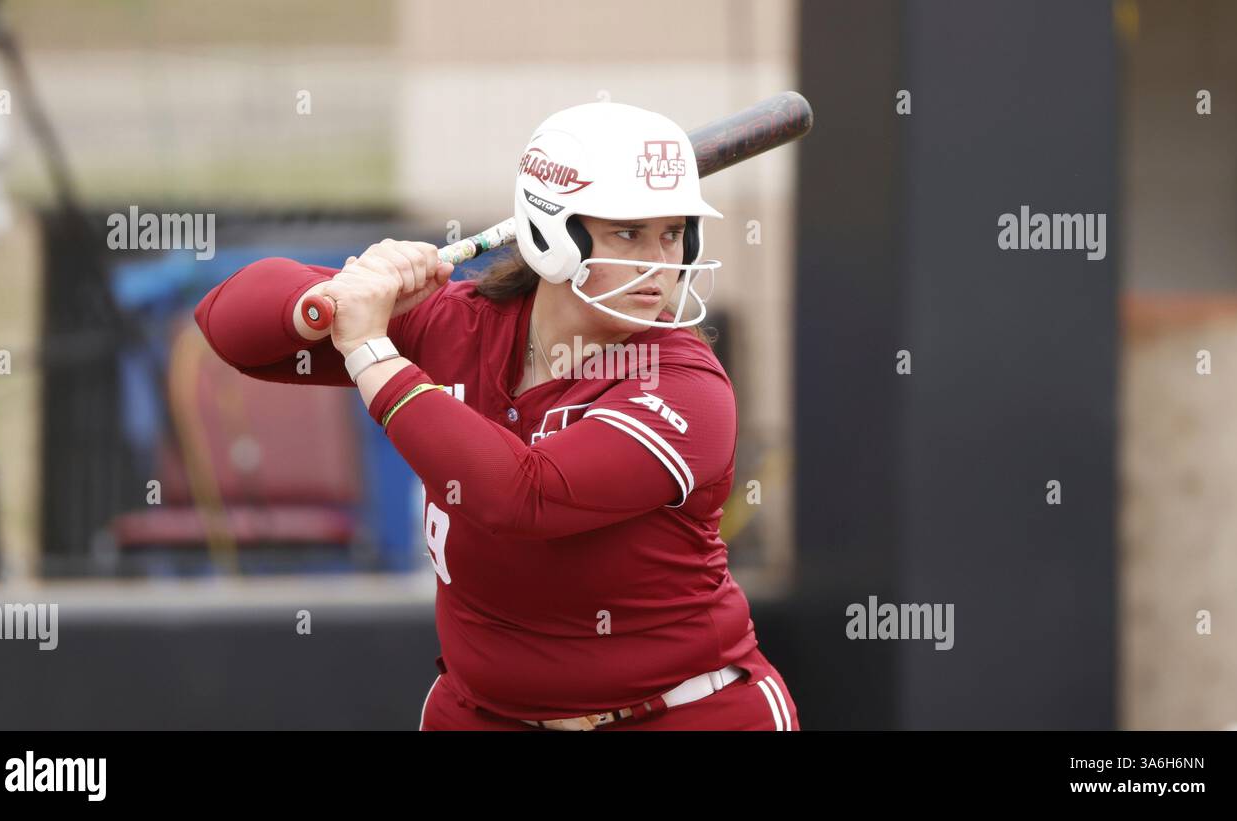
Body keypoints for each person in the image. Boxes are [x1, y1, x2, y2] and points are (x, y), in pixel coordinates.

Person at [194, 101, 800, 731]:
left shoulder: (684, 380)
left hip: (682, 714)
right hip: (485, 714)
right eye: (628, 233)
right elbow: (230, 323)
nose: (658, 263)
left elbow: (521, 496)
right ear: (551, 235)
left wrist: (371, 352)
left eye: (672, 233)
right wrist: (332, 301)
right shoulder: (452, 320)